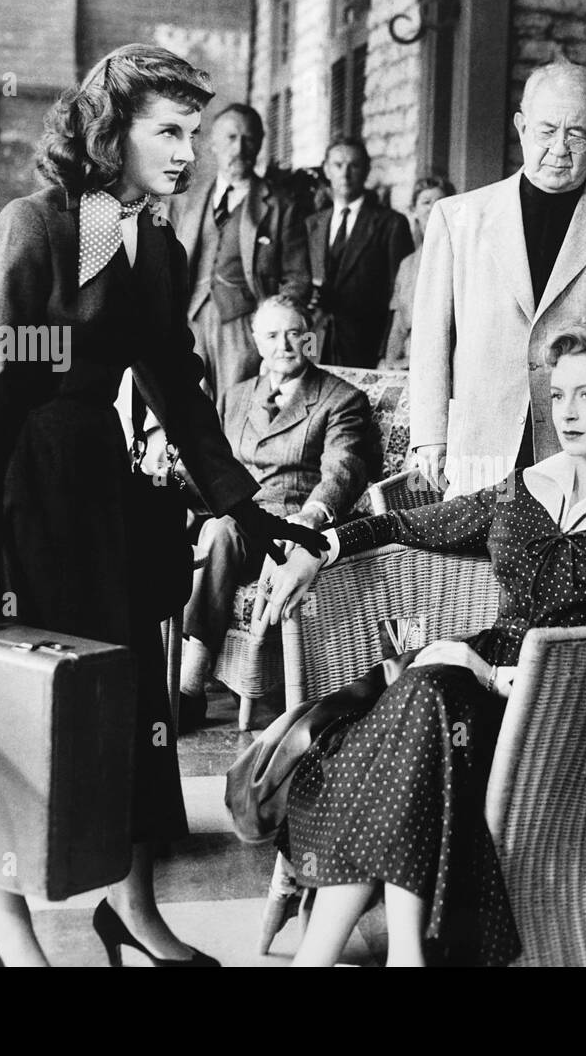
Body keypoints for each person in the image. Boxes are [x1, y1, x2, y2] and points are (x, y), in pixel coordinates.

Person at [0, 43, 326, 967]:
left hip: (97, 497)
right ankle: (8, 935)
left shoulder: (144, 237)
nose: (189, 151)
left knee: (130, 709)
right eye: (169, 131)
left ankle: (134, 913)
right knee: (18, 716)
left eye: (195, 132)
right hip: (19, 493)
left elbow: (177, 387)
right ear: (114, 133)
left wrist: (243, 504)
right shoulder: (36, 226)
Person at [255, 319, 586, 966]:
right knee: (431, 699)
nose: (567, 413)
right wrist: (317, 547)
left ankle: (328, 957)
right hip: (475, 687)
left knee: (427, 692)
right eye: (557, 395)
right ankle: (403, 952)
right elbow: (406, 522)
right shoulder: (526, 488)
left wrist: (489, 675)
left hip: (565, 715)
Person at [410, 59, 586, 497]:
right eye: (547, 130)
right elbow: (431, 339)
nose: (560, 148)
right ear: (521, 126)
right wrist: (430, 435)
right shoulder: (457, 219)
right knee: (475, 566)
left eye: (577, 134)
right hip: (484, 446)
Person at [179, 294, 376, 723]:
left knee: (219, 531)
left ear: (310, 339)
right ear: (255, 341)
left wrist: (310, 517)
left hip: (286, 530)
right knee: (190, 524)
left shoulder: (341, 399)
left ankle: (189, 687)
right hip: (235, 525)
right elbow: (211, 465)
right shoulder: (236, 396)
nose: (283, 345)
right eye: (271, 335)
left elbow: (343, 470)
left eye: (294, 334)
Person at [173, 103, 311, 403]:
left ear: (260, 143)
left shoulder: (281, 205)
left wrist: (273, 327)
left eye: (249, 139)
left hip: (245, 326)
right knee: (186, 406)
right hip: (190, 320)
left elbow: (298, 278)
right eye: (231, 137)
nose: (240, 147)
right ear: (212, 143)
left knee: (237, 409)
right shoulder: (189, 200)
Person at [305, 137, 414, 368]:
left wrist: (386, 353)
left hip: (365, 345)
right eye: (338, 165)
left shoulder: (390, 223)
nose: (345, 173)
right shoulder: (312, 224)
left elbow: (400, 295)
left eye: (353, 165)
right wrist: (305, 350)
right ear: (326, 169)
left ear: (366, 170)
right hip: (314, 341)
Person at [380, 175, 456, 370]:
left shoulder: (461, 260)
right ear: (414, 211)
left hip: (446, 362)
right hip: (407, 363)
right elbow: (398, 324)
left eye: (441, 202)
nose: (434, 208)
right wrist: (389, 363)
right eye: (426, 202)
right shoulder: (407, 264)